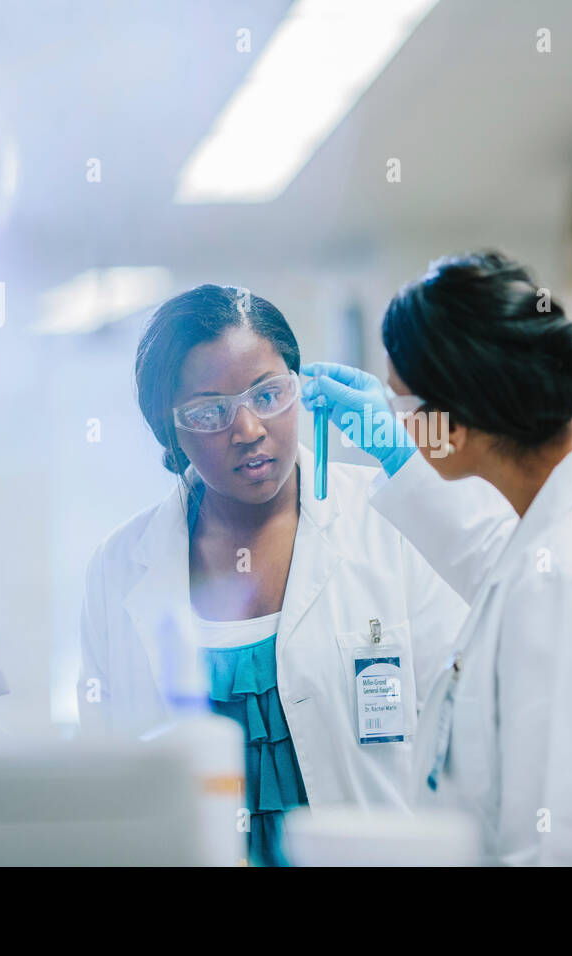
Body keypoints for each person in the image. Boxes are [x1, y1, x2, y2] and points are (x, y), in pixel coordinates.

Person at [304, 252, 572, 866]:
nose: (396, 426)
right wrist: (400, 456)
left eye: (401, 408)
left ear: (452, 426)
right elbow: (507, 566)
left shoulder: (565, 577)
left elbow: (560, 845)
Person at [77, 284, 465, 866]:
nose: (249, 428)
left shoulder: (394, 525)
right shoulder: (118, 568)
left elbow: (466, 734)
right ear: (169, 428)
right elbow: (106, 782)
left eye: (268, 393)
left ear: (302, 388)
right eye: (211, 410)